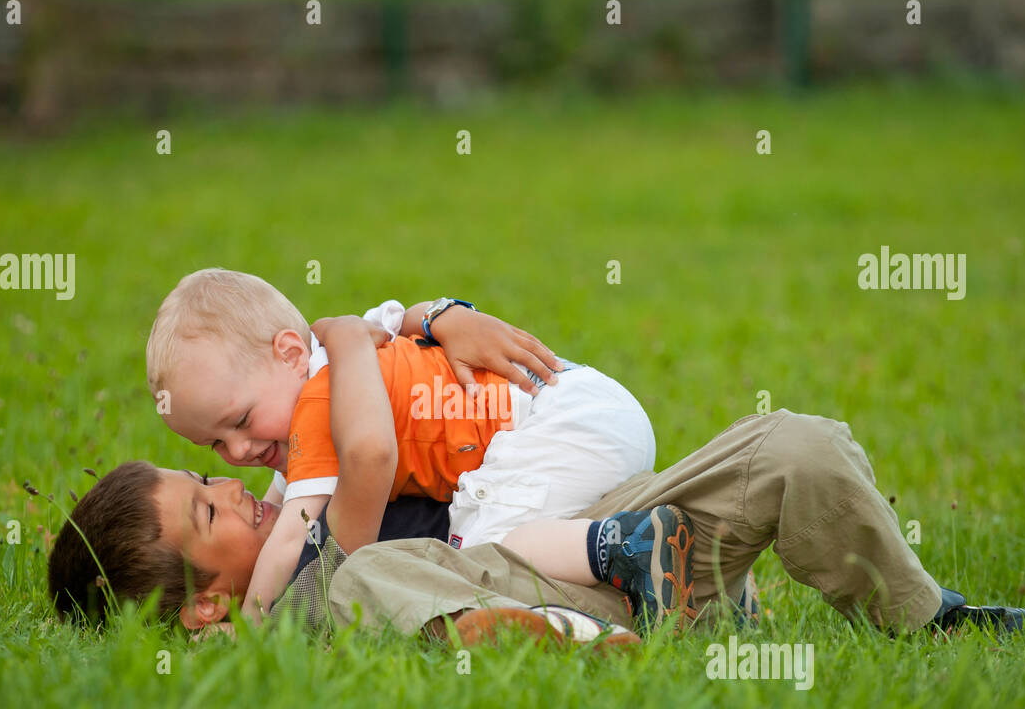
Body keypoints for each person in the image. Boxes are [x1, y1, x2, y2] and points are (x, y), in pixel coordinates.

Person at [142, 267, 689, 627]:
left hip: (553, 424)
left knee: (478, 558)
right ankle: (662, 558)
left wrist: (255, 622)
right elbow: (401, 317)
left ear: (289, 354)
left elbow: (290, 538)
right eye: (215, 444)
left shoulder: (319, 406)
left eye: (239, 421)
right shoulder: (344, 352)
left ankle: (622, 550)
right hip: (579, 400)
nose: (238, 452)